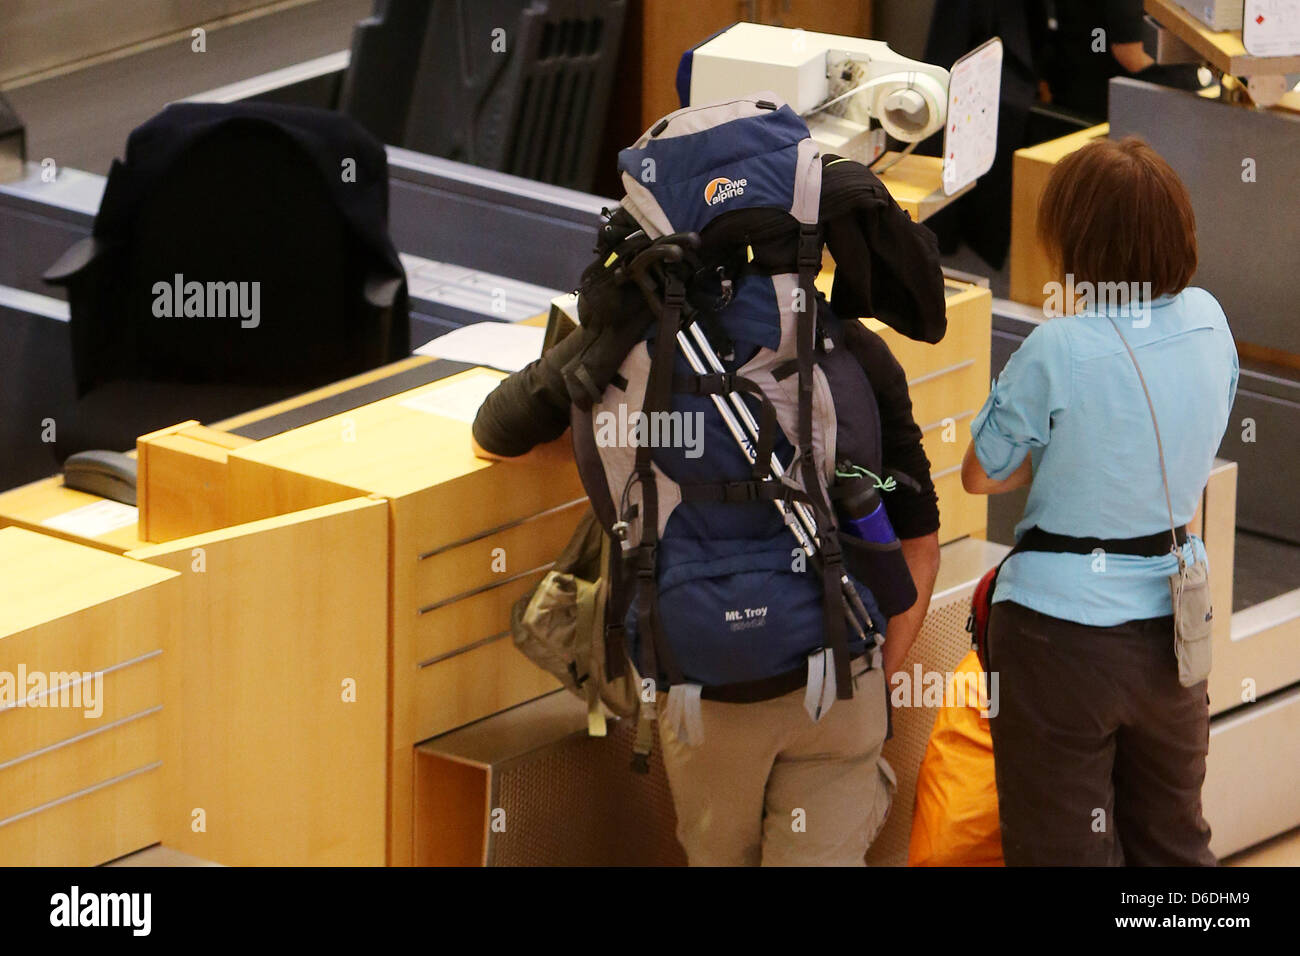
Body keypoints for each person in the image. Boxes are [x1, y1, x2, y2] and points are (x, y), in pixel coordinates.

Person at [471, 178, 944, 866]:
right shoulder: (851, 351)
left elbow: (495, 429)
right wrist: (876, 674)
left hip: (705, 686)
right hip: (839, 667)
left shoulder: (625, 346)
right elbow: (919, 547)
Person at [961, 136, 1238, 866]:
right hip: (1176, 633)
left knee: (1063, 850)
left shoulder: (1059, 347)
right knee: (1174, 842)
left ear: (1074, 239)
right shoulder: (1212, 321)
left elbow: (982, 474)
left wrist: (1066, 453)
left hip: (1061, 639)